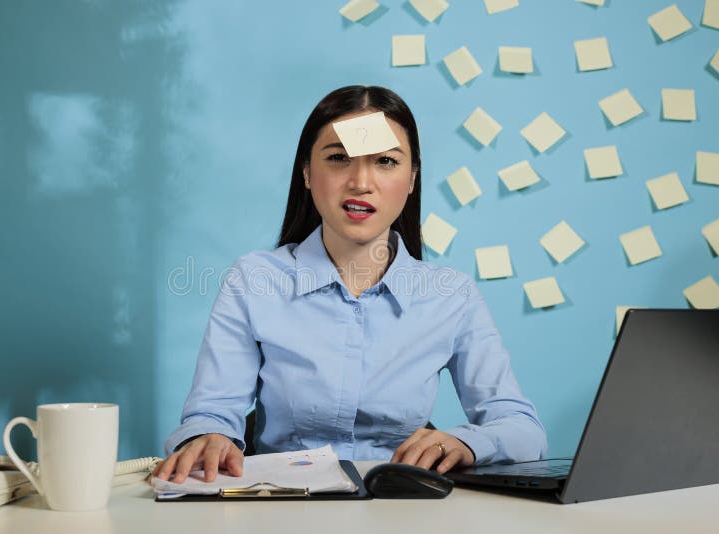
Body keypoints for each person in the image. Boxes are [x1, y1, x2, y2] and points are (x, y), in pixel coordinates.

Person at [154, 85, 547, 484]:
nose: (361, 182)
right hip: (283, 507)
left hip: (400, 510)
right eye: (339, 158)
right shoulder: (254, 280)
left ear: (412, 179)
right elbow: (211, 411)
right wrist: (210, 437)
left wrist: (465, 443)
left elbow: (522, 429)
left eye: (385, 162)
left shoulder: (453, 296)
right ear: (307, 173)